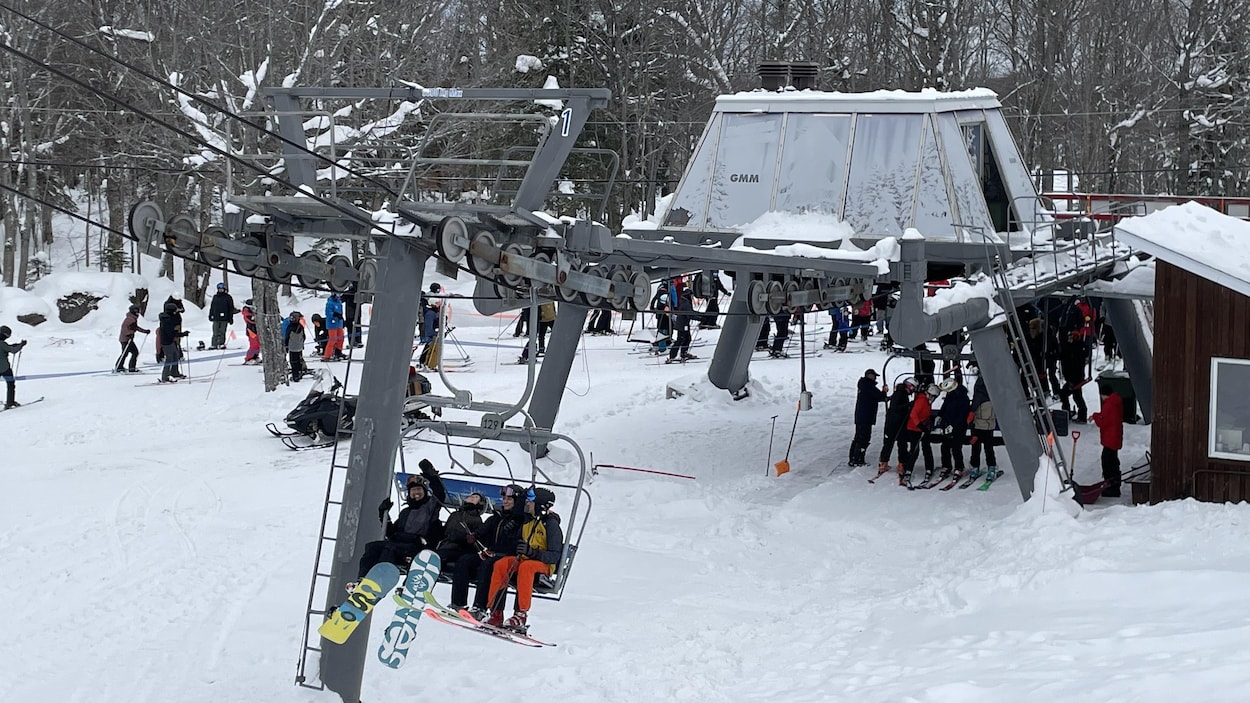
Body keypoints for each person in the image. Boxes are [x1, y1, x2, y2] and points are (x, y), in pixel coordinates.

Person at [350, 460, 446, 589]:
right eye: (413, 491)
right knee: (373, 547)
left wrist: (430, 475)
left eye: (419, 490)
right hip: (399, 542)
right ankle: (363, 579)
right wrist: (384, 515)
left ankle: (380, 581)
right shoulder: (405, 512)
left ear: (424, 492)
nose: (416, 493)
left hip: (415, 545)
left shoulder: (429, 507)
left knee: (389, 548)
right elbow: (391, 533)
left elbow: (439, 493)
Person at [483, 487, 563, 633]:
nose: (527, 504)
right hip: (525, 560)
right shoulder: (527, 521)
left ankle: (521, 614)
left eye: (531, 502)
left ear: (539, 505)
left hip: (543, 565)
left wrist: (533, 552)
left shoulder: (550, 525)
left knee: (526, 567)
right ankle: (496, 612)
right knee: (501, 564)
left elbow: (554, 556)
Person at [453, 484, 528, 619]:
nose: (505, 501)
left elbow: (518, 535)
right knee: (464, 561)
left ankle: (480, 607)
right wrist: (474, 535)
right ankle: (458, 603)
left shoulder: (520, 520)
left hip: (507, 556)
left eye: (509, 499)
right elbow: (484, 529)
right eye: (504, 498)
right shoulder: (496, 517)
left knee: (486, 566)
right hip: (492, 553)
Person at [437, 493, 487, 607]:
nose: (471, 498)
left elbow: (474, 540)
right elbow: (445, 531)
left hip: (459, 549)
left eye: (475, 498)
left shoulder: (476, 520)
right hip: (446, 546)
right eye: (471, 496)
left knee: (439, 558)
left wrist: (460, 537)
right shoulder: (455, 515)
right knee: (432, 557)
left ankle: (458, 602)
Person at [899, 383, 939, 485]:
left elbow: (926, 415)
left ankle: (929, 468)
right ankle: (908, 469)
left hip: (923, 429)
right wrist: (920, 425)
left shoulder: (927, 401)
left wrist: (927, 425)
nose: (933, 399)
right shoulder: (921, 400)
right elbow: (913, 414)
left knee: (926, 448)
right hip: (914, 429)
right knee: (914, 450)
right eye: (933, 396)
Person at [850, 369, 888, 467]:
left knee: (858, 436)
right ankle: (858, 459)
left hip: (862, 415)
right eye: (874, 376)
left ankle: (854, 458)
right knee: (863, 437)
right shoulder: (868, 386)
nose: (875, 378)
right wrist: (884, 392)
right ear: (869, 375)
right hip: (866, 416)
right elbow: (879, 396)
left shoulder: (864, 385)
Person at [1092, 383, 1124, 497]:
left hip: (1110, 438)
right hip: (1115, 437)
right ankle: (1114, 485)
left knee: (1108, 463)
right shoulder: (1115, 402)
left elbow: (1102, 422)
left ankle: (1111, 486)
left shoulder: (1109, 404)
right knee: (1113, 461)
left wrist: (1095, 416)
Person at [878, 378, 915, 475]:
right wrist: (908, 405)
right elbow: (896, 407)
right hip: (896, 422)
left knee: (897, 443)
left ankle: (898, 464)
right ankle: (888, 463)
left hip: (897, 422)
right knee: (895, 443)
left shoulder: (901, 393)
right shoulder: (900, 393)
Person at [936, 378, 971, 479]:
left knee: (956, 447)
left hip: (959, 427)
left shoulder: (963, 398)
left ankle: (959, 467)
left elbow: (963, 415)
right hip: (947, 424)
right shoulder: (950, 395)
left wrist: (954, 425)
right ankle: (946, 466)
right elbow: (945, 406)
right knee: (945, 447)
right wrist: (940, 415)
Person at [968, 375, 997, 477]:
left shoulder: (981, 393)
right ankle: (990, 467)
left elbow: (973, 407)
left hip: (981, 425)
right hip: (983, 425)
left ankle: (977, 467)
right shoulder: (992, 392)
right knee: (987, 448)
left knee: (978, 448)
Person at [1058, 331, 1089, 423]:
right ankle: (1069, 412)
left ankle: (1079, 415)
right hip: (1072, 378)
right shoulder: (1069, 348)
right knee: (1072, 395)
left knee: (1074, 396)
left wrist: (1072, 380)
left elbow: (1075, 366)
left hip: (1076, 378)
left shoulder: (1077, 350)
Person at [157, 301, 189, 383]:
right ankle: (165, 376)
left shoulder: (168, 318)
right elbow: (170, 332)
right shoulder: (167, 320)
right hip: (167, 341)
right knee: (170, 358)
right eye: (175, 310)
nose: (176, 312)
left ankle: (174, 372)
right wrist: (182, 334)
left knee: (176, 355)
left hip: (170, 340)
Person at [115, 305, 150, 373]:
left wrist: (144, 331)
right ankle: (128, 368)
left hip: (127, 339)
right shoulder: (130, 319)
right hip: (126, 339)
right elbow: (124, 328)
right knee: (133, 352)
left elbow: (135, 327)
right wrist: (129, 334)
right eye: (137, 311)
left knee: (127, 353)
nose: (138, 312)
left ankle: (121, 367)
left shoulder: (132, 318)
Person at [0, 325, 29, 408]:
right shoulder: (2, 343)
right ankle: (10, 402)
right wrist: (21, 345)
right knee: (10, 384)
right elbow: (13, 350)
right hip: (4, 368)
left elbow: (7, 347)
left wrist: (15, 345)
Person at [666, 289, 697, 364]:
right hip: (682, 324)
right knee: (680, 340)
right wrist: (699, 317)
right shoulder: (686, 303)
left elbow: (691, 312)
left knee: (687, 339)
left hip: (685, 324)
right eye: (692, 295)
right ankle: (672, 356)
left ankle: (684, 353)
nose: (693, 297)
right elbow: (689, 314)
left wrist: (700, 315)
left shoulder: (686, 301)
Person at [207, 283, 239, 350]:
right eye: (219, 289)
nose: (220, 290)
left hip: (225, 318)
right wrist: (210, 315)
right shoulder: (215, 297)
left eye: (222, 289)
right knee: (215, 332)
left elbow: (231, 308)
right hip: (216, 317)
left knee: (222, 331)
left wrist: (230, 318)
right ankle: (214, 344)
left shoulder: (228, 297)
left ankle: (221, 343)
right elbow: (212, 307)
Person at [156, 292, 184, 364]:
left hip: (177, 321)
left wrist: (179, 310)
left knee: (177, 339)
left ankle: (179, 354)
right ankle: (162, 355)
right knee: (170, 339)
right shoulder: (167, 304)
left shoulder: (179, 302)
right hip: (171, 323)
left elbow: (183, 309)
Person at [284, 311, 308, 381]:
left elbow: (287, 338)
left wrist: (286, 346)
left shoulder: (289, 327)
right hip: (299, 347)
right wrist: (302, 344)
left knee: (293, 362)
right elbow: (304, 336)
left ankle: (295, 376)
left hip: (292, 348)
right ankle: (300, 371)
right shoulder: (301, 327)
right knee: (299, 360)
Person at [323, 293, 346, 361]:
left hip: (339, 324)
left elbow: (341, 313)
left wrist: (342, 320)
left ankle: (338, 352)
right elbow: (328, 313)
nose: (338, 297)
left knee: (341, 338)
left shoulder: (339, 302)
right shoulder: (330, 303)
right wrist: (334, 314)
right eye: (337, 295)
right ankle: (327, 355)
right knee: (333, 340)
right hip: (332, 324)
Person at [241, 299, 261, 364]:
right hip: (251, 330)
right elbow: (252, 320)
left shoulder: (252, 313)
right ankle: (249, 358)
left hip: (256, 330)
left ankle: (255, 356)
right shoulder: (247, 313)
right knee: (254, 345)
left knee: (258, 344)